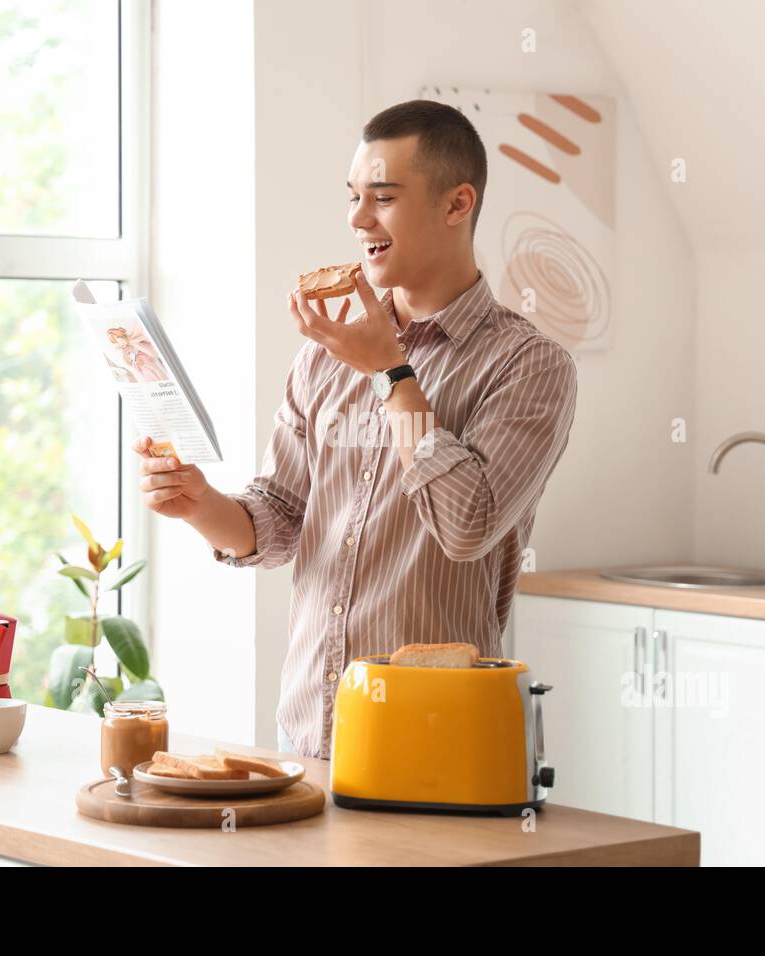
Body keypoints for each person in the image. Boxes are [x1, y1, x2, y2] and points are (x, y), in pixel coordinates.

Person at [134, 99, 578, 760]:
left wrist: (391, 373)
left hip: (436, 742)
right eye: (352, 197)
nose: (357, 218)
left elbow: (468, 527)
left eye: (383, 197)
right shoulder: (323, 353)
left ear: (457, 205)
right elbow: (281, 519)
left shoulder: (529, 364)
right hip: (305, 736)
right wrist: (204, 506)